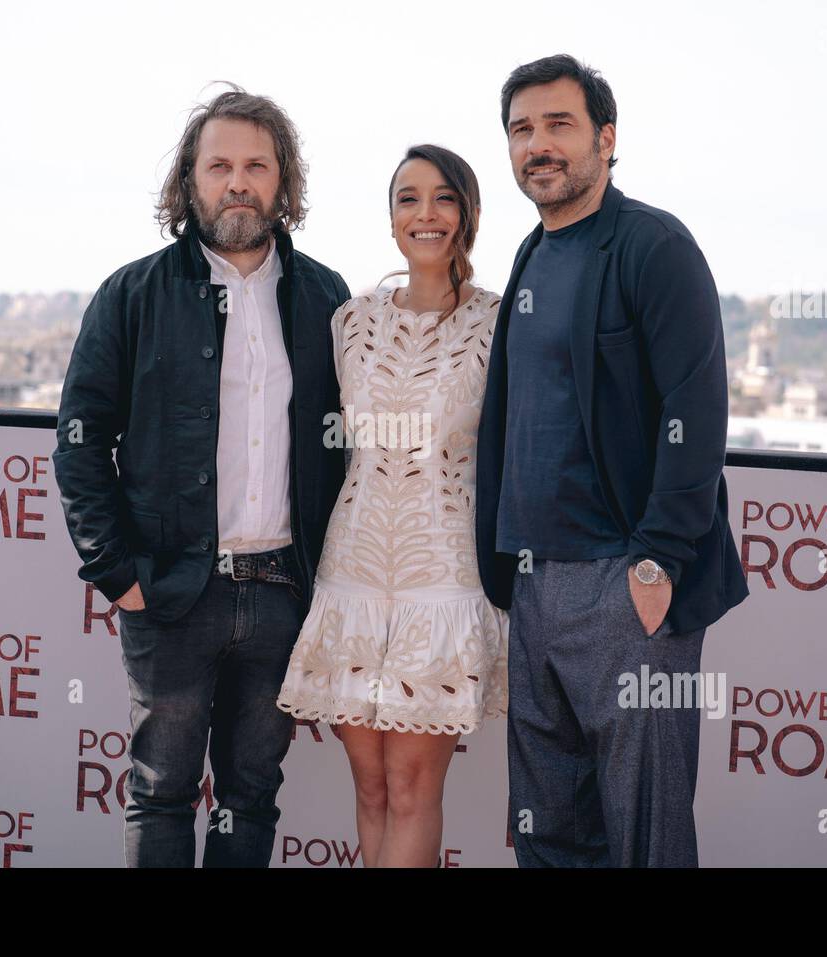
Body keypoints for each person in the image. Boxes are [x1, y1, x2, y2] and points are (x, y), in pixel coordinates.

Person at [52, 85, 350, 868]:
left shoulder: (326, 297)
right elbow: (80, 442)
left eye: (257, 164)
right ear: (190, 181)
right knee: (161, 790)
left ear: (284, 182)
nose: (238, 181)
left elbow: (346, 448)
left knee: (250, 795)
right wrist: (118, 573)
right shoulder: (131, 295)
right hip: (172, 594)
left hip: (285, 589)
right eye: (219, 164)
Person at [475, 54, 750, 867]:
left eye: (558, 124)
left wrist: (658, 561)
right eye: (522, 129)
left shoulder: (654, 246)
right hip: (534, 582)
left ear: (606, 136)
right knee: (548, 830)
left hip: (625, 583)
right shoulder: (531, 254)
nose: (538, 144)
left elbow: (695, 414)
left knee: (644, 836)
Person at [275, 145, 508, 868]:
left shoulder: (502, 324)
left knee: (411, 787)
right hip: (353, 574)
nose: (425, 214)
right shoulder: (351, 320)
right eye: (408, 198)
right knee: (370, 786)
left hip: (443, 580)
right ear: (391, 218)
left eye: (443, 198)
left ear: (469, 213)